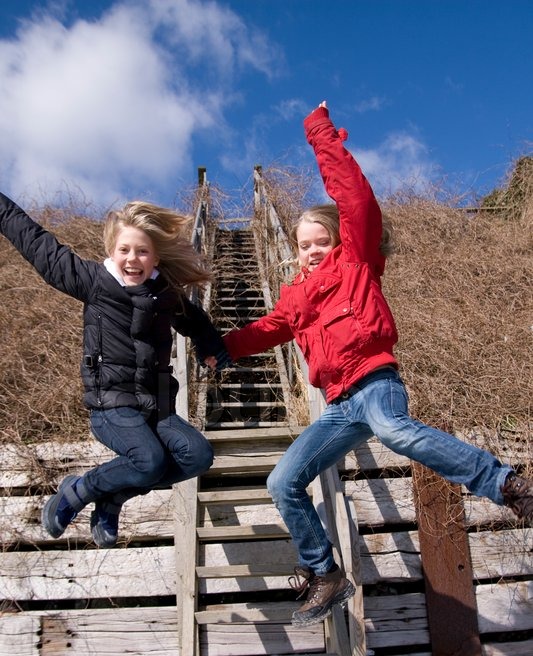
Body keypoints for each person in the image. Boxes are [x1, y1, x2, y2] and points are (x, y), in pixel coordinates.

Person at [218, 101, 533, 628]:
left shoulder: (356, 260)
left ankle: (507, 485)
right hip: (340, 406)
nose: (312, 251)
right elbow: (268, 328)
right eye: (303, 246)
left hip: (374, 380)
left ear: (339, 241)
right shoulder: (296, 297)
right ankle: (325, 573)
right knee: (282, 481)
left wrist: (320, 134)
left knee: (395, 429)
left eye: (321, 241)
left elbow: (354, 196)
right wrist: (221, 347)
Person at [0, 193, 229, 547]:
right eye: (124, 250)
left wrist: (211, 346)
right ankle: (78, 490)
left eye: (142, 251)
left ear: (155, 256)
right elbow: (35, 242)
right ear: (111, 250)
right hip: (111, 404)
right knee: (149, 461)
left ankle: (114, 497)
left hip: (156, 406)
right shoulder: (93, 281)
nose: (133, 259)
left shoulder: (164, 294)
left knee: (198, 456)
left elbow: (196, 321)